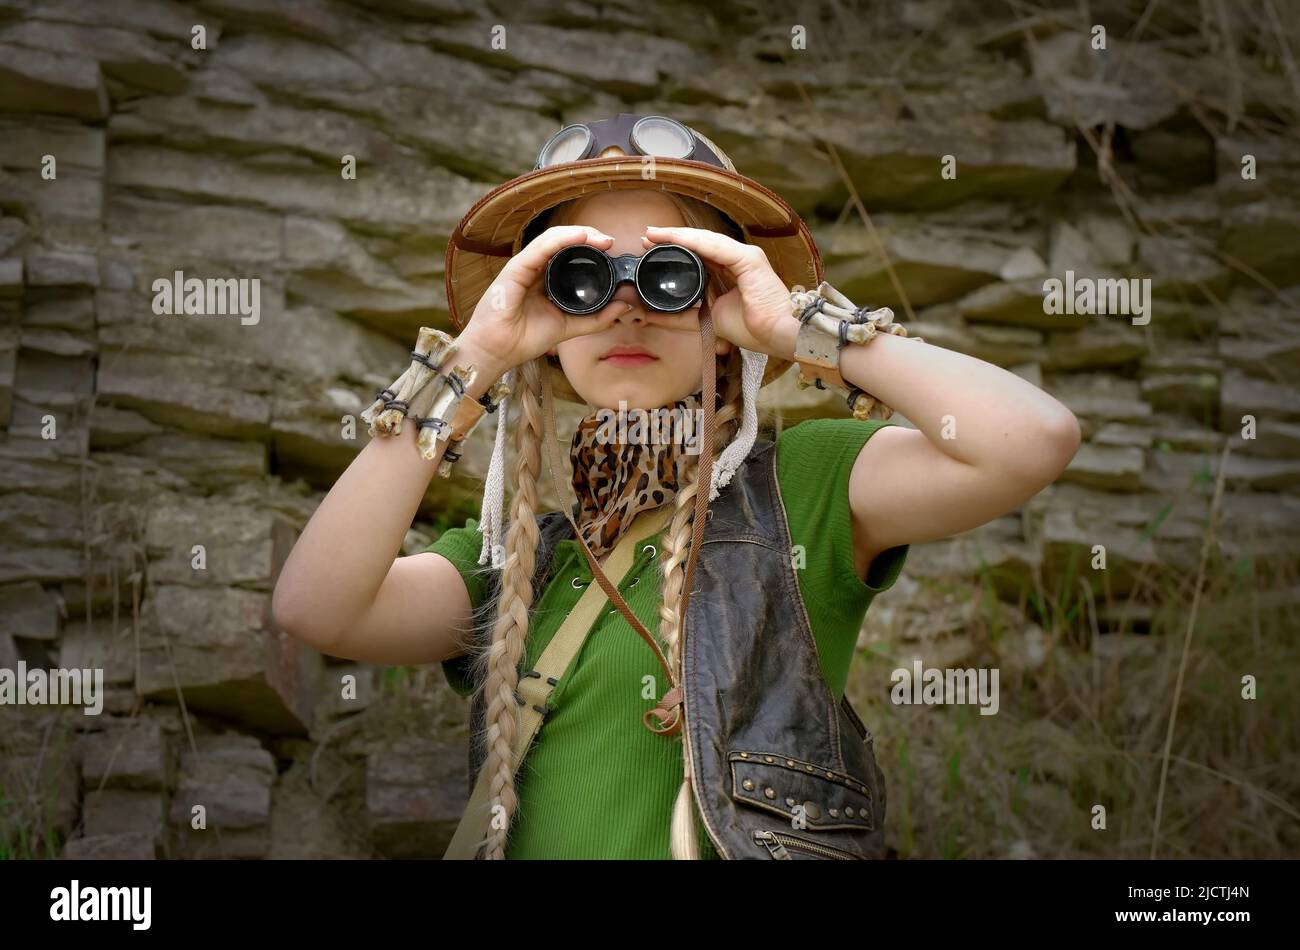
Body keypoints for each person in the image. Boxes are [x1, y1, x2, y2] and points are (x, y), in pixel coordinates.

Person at [272, 114, 1082, 860]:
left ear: (724, 306)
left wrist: (795, 328)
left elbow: (1028, 439)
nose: (626, 307)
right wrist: (475, 356)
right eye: (581, 276)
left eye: (670, 274)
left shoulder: (804, 491)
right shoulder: (519, 564)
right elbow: (318, 608)